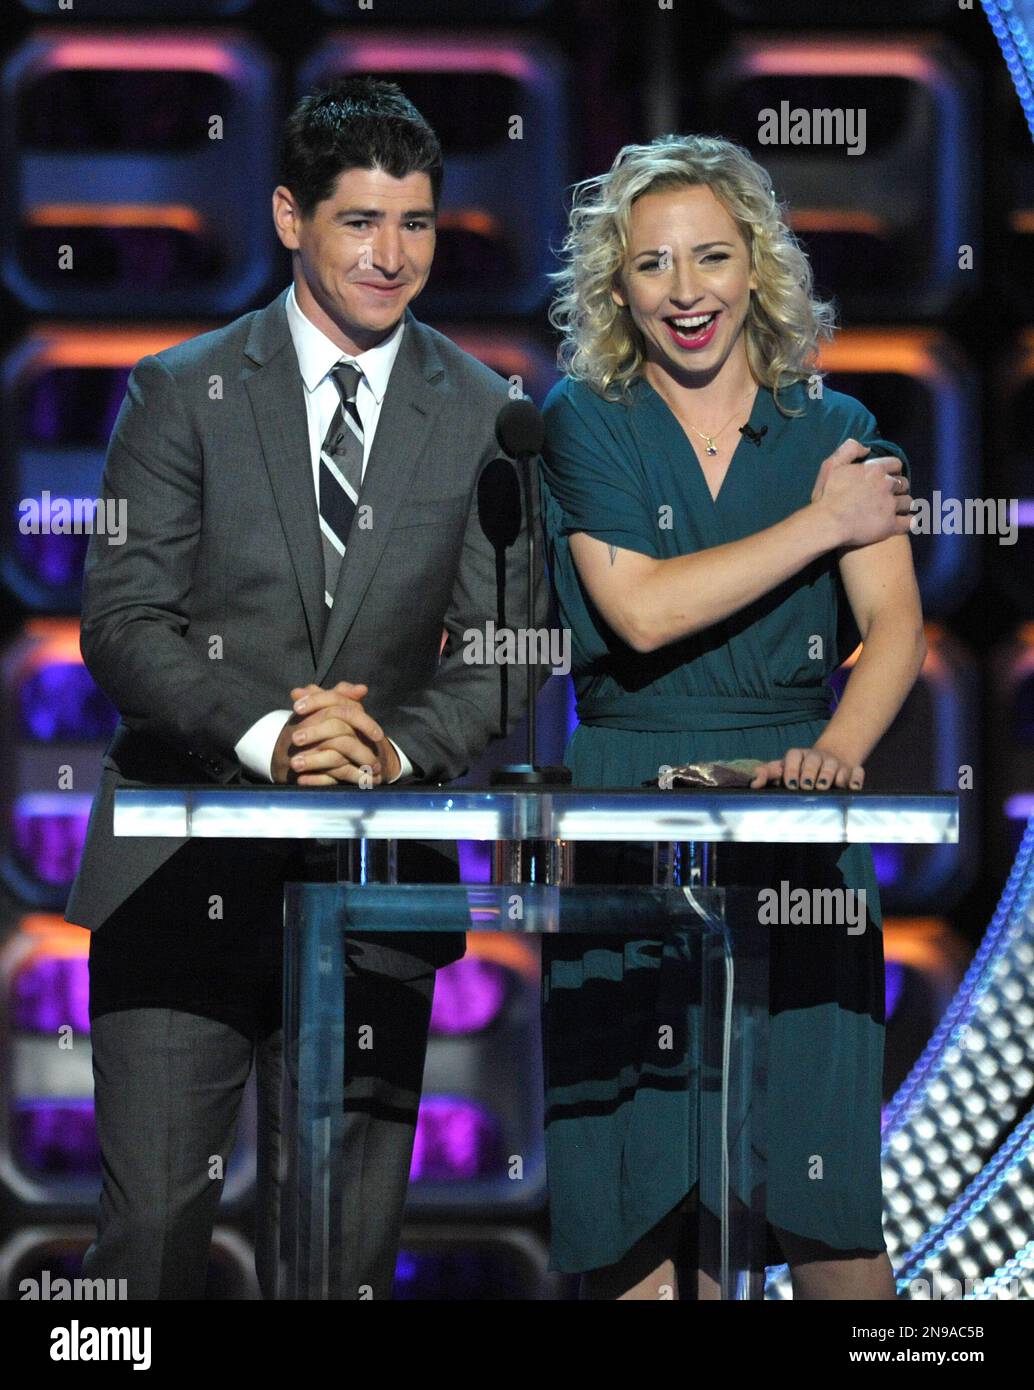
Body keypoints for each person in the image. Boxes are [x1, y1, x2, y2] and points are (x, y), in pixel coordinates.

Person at [65, 76, 548, 1299]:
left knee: (338, 1256)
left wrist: (384, 752)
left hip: (370, 891)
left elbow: (507, 648)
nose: (391, 257)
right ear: (289, 217)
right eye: (359, 223)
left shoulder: (490, 412)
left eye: (417, 225)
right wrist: (273, 733)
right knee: (150, 1244)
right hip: (181, 877)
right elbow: (123, 622)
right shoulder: (181, 390)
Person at [537, 134, 925, 1300]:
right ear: (617, 287)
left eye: (710, 258)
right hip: (623, 811)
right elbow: (642, 613)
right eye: (653, 266)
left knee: (826, 1205)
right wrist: (820, 524)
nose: (685, 291)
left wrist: (835, 753)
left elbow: (894, 626)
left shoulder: (830, 424)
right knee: (642, 1219)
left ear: (756, 266)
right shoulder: (583, 418)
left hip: (794, 818)